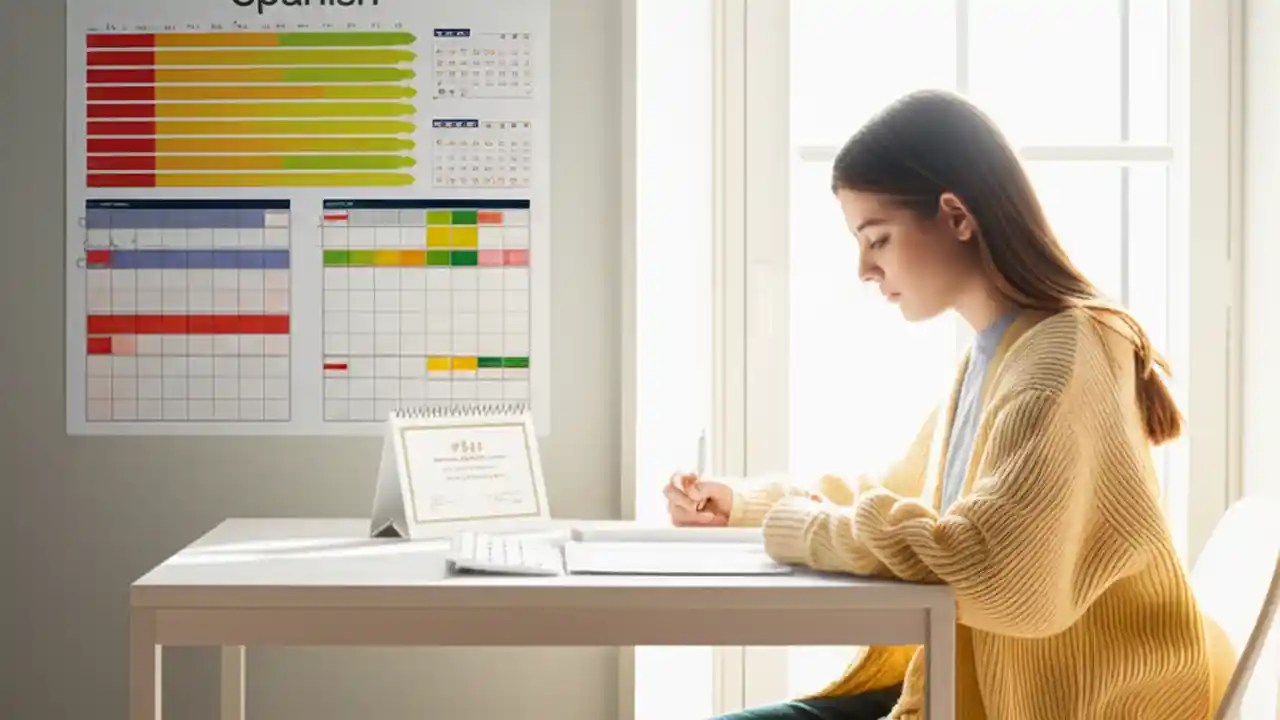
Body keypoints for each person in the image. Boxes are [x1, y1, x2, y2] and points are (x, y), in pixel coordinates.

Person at [663, 89, 1236, 720]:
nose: (863, 269)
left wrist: (802, 529)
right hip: (973, 694)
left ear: (957, 215)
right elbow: (900, 498)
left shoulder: (1062, 354)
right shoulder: (1000, 353)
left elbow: (988, 567)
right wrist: (748, 506)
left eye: (876, 238)